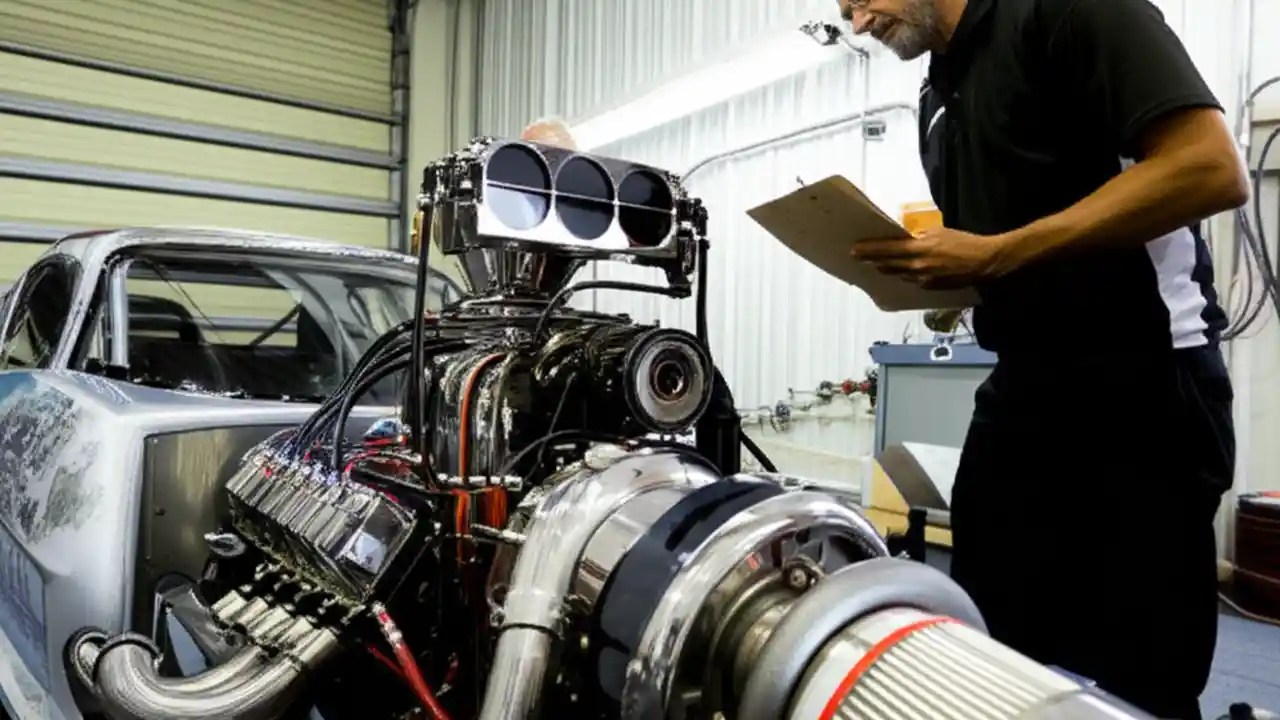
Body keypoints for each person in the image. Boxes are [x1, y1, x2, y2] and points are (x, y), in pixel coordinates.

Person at [840, 1, 1247, 718]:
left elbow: (1210, 168)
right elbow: (1008, 239)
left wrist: (997, 253)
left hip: (1145, 382)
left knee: (1141, 674)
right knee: (993, 642)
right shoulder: (936, 96)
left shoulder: (1068, 12)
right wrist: (949, 280)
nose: (856, 22)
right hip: (1027, 387)